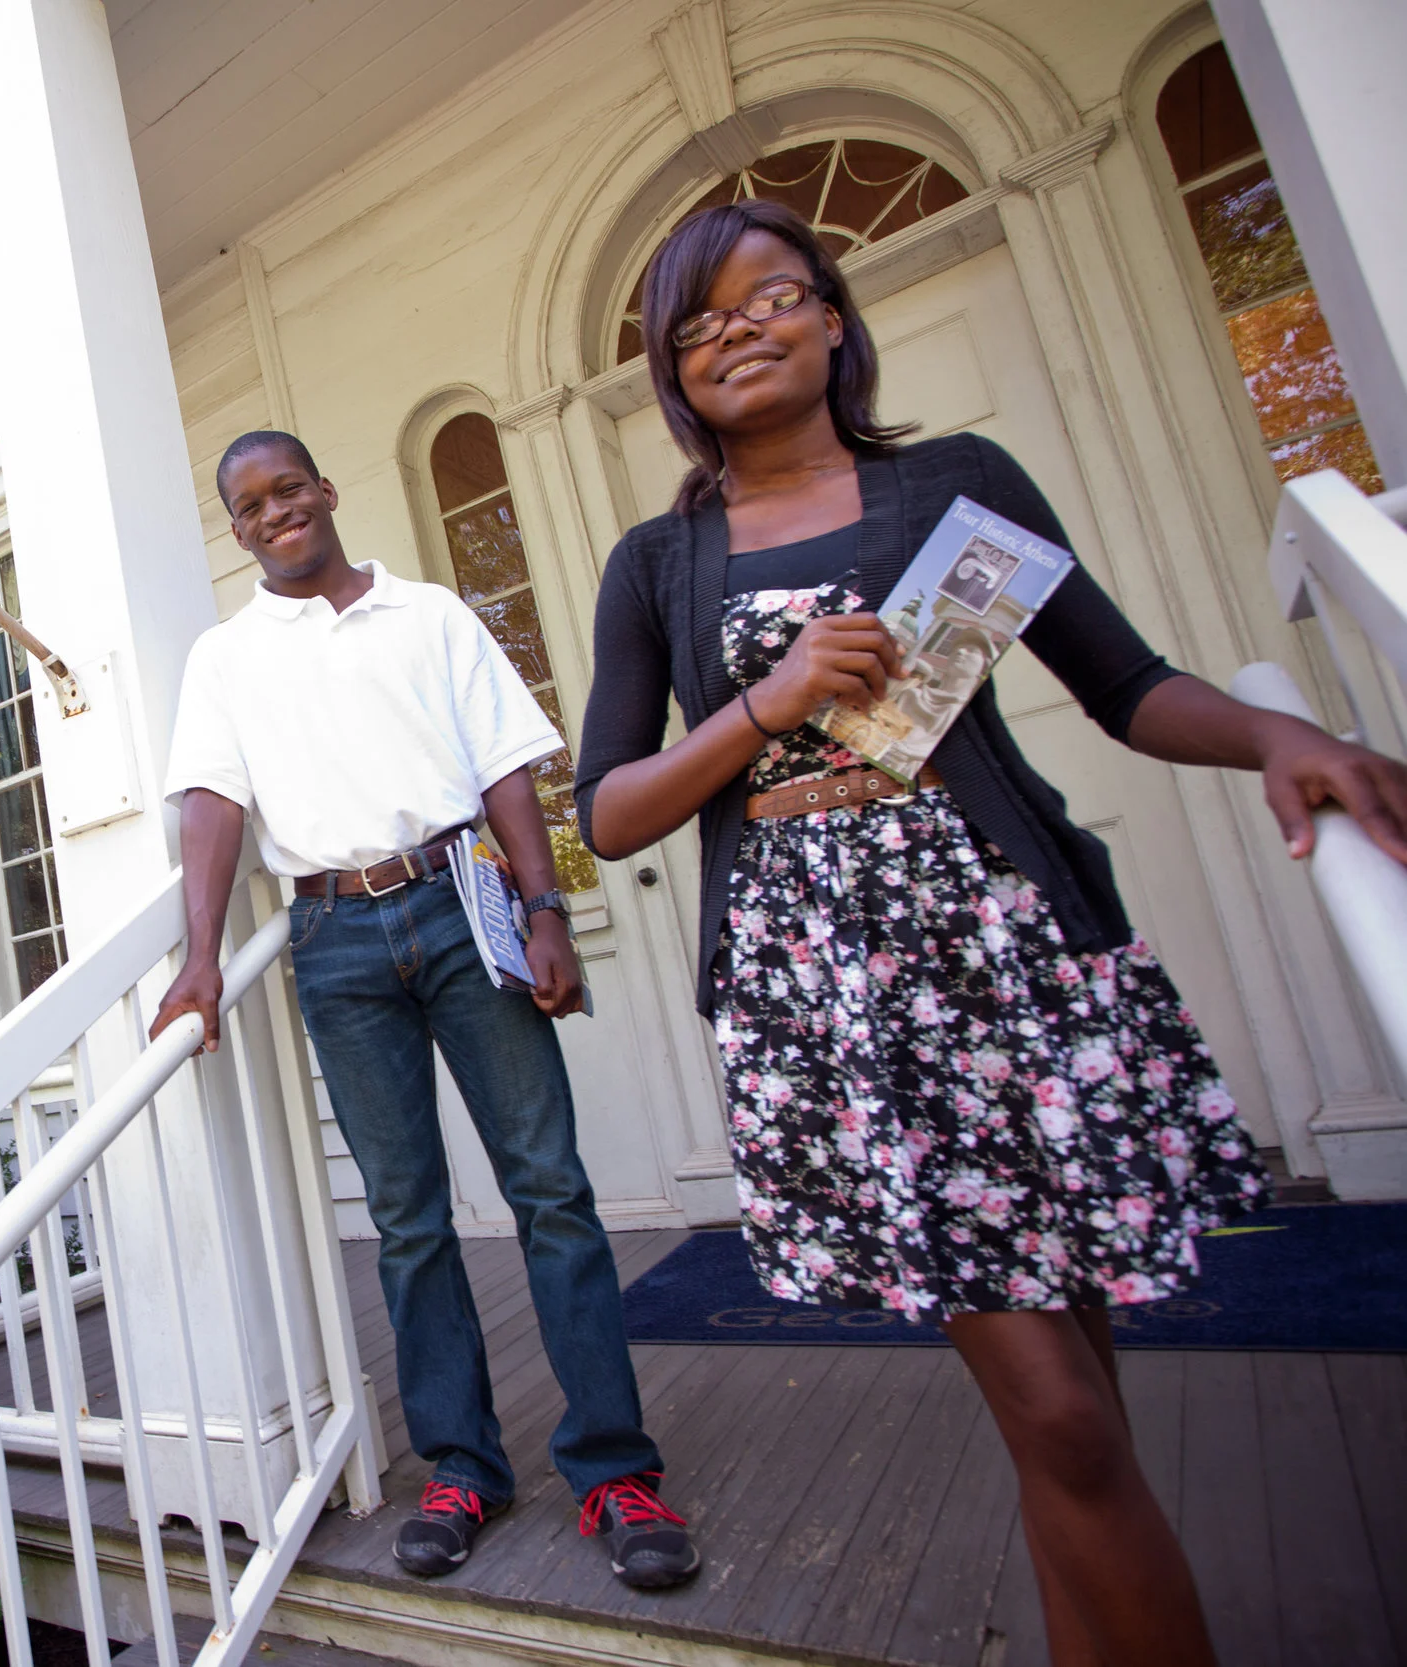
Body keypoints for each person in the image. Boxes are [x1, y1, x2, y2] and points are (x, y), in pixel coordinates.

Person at [574, 197, 1407, 1667]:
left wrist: (1279, 730)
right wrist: (767, 705)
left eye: (769, 298)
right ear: (670, 374)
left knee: (1078, 1404)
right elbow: (616, 807)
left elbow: (1128, 684)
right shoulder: (657, 560)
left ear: (834, 315)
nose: (738, 335)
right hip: (823, 993)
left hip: (1006, 962)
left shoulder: (955, 486)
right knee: (1067, 1415)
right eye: (696, 326)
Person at [151, 430, 700, 1590]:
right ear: (237, 528)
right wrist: (198, 958)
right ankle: (463, 1465)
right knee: (406, 1217)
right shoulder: (225, 656)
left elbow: (506, 766)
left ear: (326, 489)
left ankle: (614, 1469)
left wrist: (544, 906)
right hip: (334, 937)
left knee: (548, 1189)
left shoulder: (432, 615)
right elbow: (210, 802)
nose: (271, 513)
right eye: (246, 506)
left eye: (287, 488)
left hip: (461, 902)